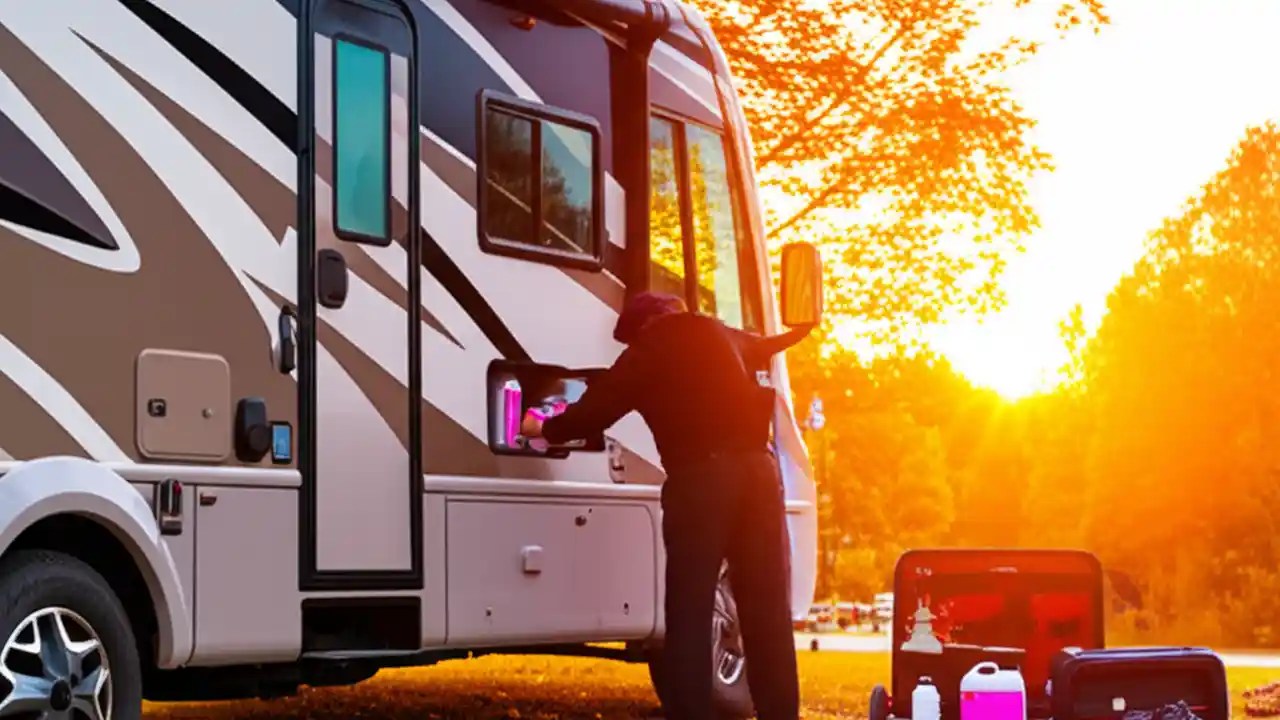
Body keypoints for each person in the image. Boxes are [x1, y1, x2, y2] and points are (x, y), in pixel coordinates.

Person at [520, 291, 813, 720]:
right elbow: (770, 343)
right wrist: (803, 325)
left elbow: (590, 416)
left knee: (689, 613)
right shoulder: (723, 334)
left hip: (702, 482)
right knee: (767, 611)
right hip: (760, 476)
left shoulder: (648, 350)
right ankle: (781, 714)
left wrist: (541, 427)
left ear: (638, 328)